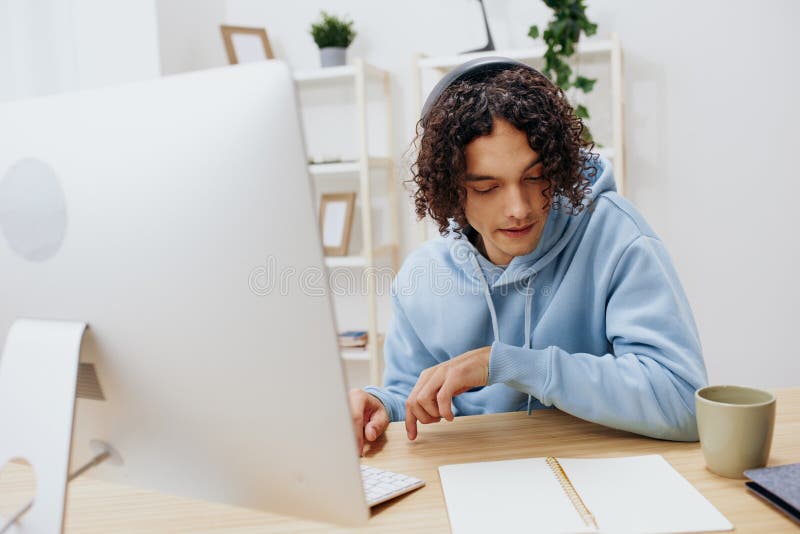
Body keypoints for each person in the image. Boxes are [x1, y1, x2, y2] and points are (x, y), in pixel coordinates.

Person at [348, 57, 707, 455]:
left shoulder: (615, 235)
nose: (519, 207)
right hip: (481, 481)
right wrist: (381, 405)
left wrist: (510, 365)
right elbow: (412, 397)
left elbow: (684, 402)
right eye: (487, 188)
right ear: (451, 190)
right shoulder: (422, 276)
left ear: (558, 165)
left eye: (535, 177)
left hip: (602, 476)